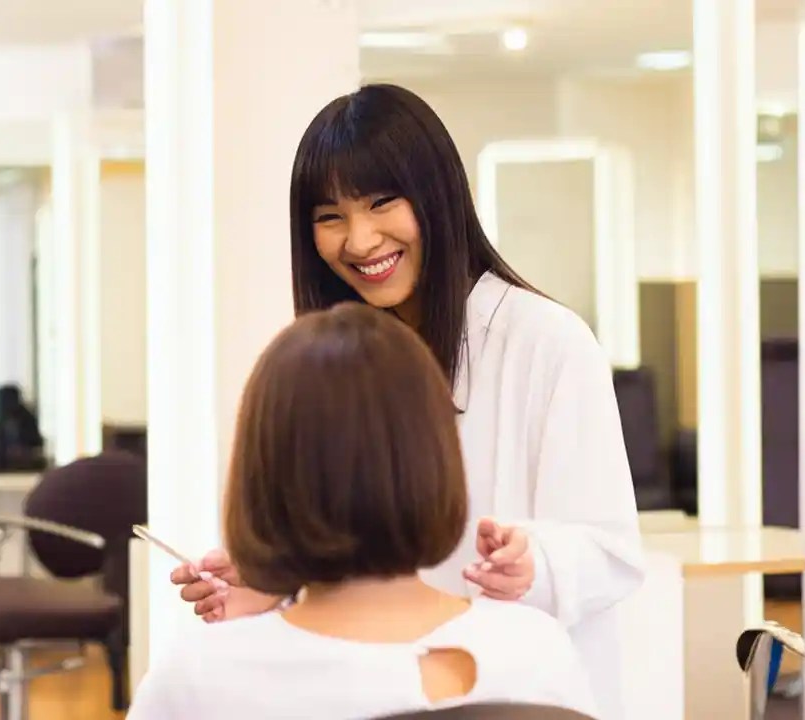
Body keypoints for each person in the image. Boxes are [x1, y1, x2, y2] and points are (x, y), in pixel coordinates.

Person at [169, 84, 643, 718]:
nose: (360, 241)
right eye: (330, 216)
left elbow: (610, 552)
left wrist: (536, 563)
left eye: (381, 203)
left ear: (438, 197)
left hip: (500, 694)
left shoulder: (546, 342)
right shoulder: (334, 361)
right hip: (363, 687)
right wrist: (281, 586)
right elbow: (354, 544)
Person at [131, 305, 597, 719]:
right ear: (436, 463)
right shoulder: (538, 652)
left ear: (261, 476)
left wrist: (258, 639)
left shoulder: (201, 679)